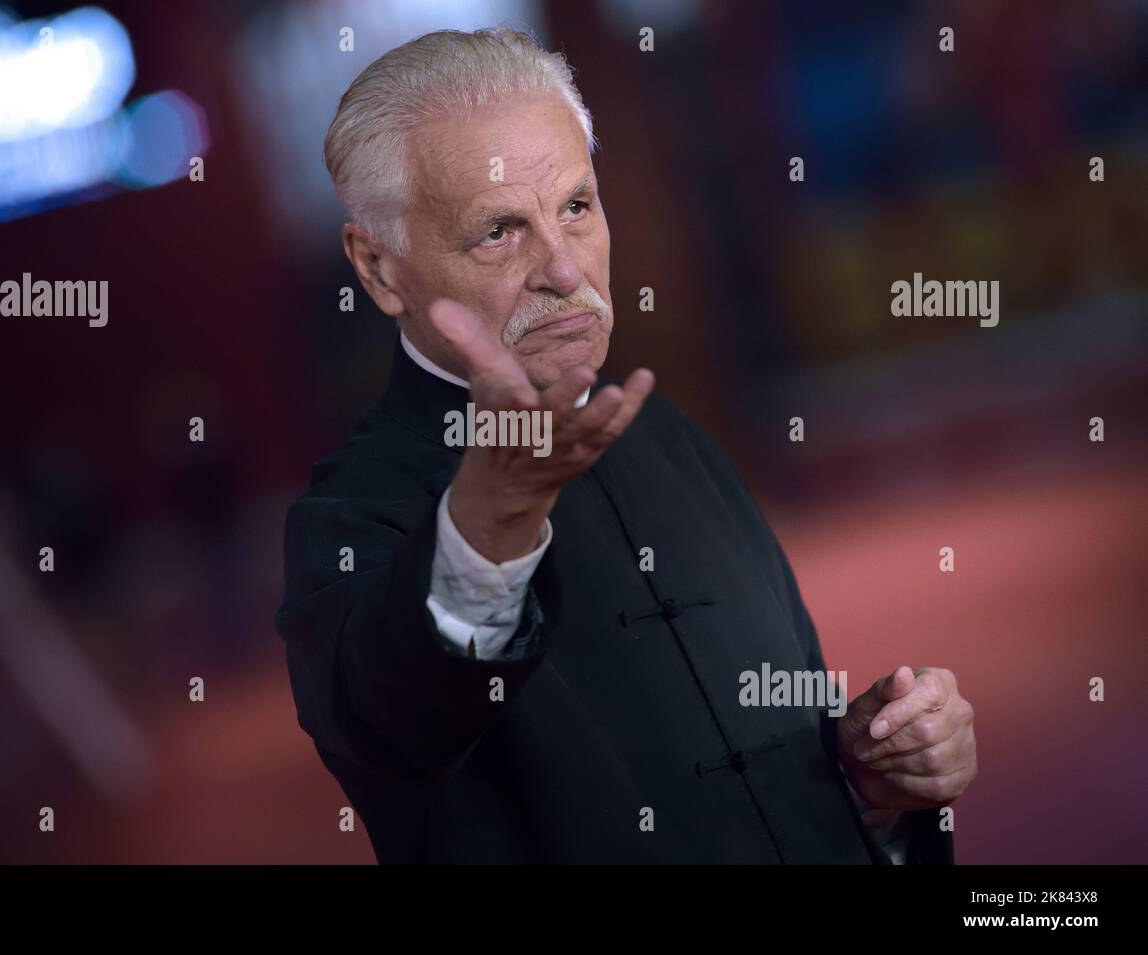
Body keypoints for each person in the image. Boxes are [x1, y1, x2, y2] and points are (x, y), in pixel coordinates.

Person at [276, 27, 977, 863]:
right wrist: (487, 525)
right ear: (380, 268)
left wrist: (873, 789)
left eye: (576, 206)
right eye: (499, 231)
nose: (565, 271)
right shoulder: (350, 521)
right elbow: (396, 724)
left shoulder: (675, 441)